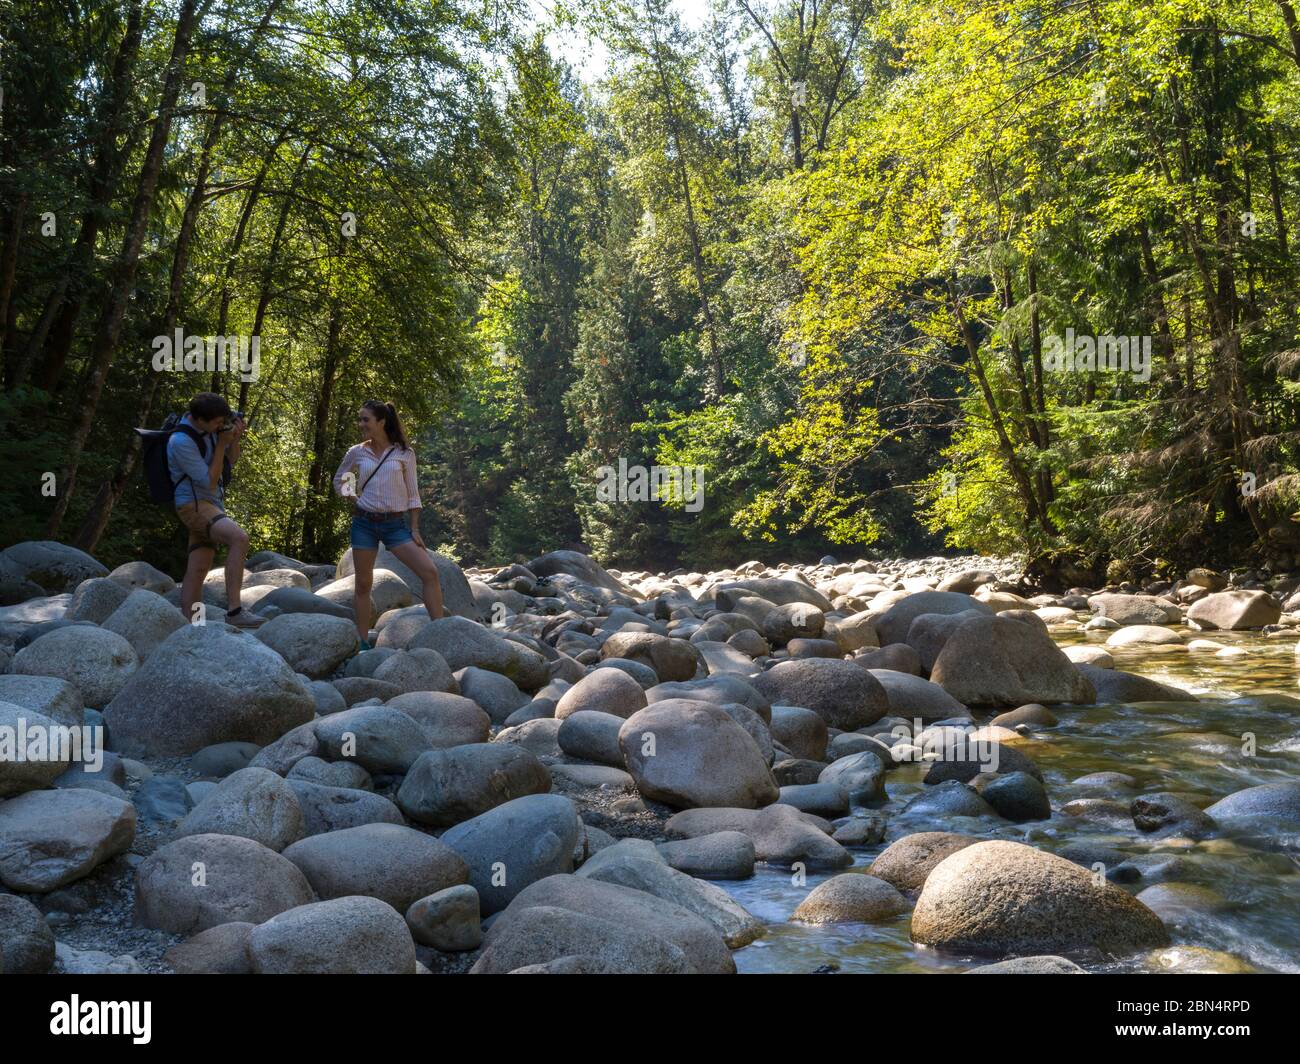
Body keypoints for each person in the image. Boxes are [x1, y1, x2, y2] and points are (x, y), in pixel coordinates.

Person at [333, 400, 444, 648]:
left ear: (381, 422)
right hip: (364, 523)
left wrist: (414, 529)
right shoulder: (356, 451)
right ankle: (362, 643)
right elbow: (340, 479)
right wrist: (352, 496)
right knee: (363, 584)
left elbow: (413, 493)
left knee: (430, 572)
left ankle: (441, 631)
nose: (361, 424)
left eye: (365, 419)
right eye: (360, 419)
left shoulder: (404, 453)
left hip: (395, 526)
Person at [169, 392, 264, 627]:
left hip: (210, 504)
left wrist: (234, 439)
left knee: (199, 568)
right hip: (194, 505)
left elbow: (229, 462)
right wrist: (221, 443)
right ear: (200, 419)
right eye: (218, 423)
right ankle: (235, 611)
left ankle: (193, 625)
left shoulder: (210, 430)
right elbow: (209, 481)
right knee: (239, 538)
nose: (221, 426)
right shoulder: (181, 441)